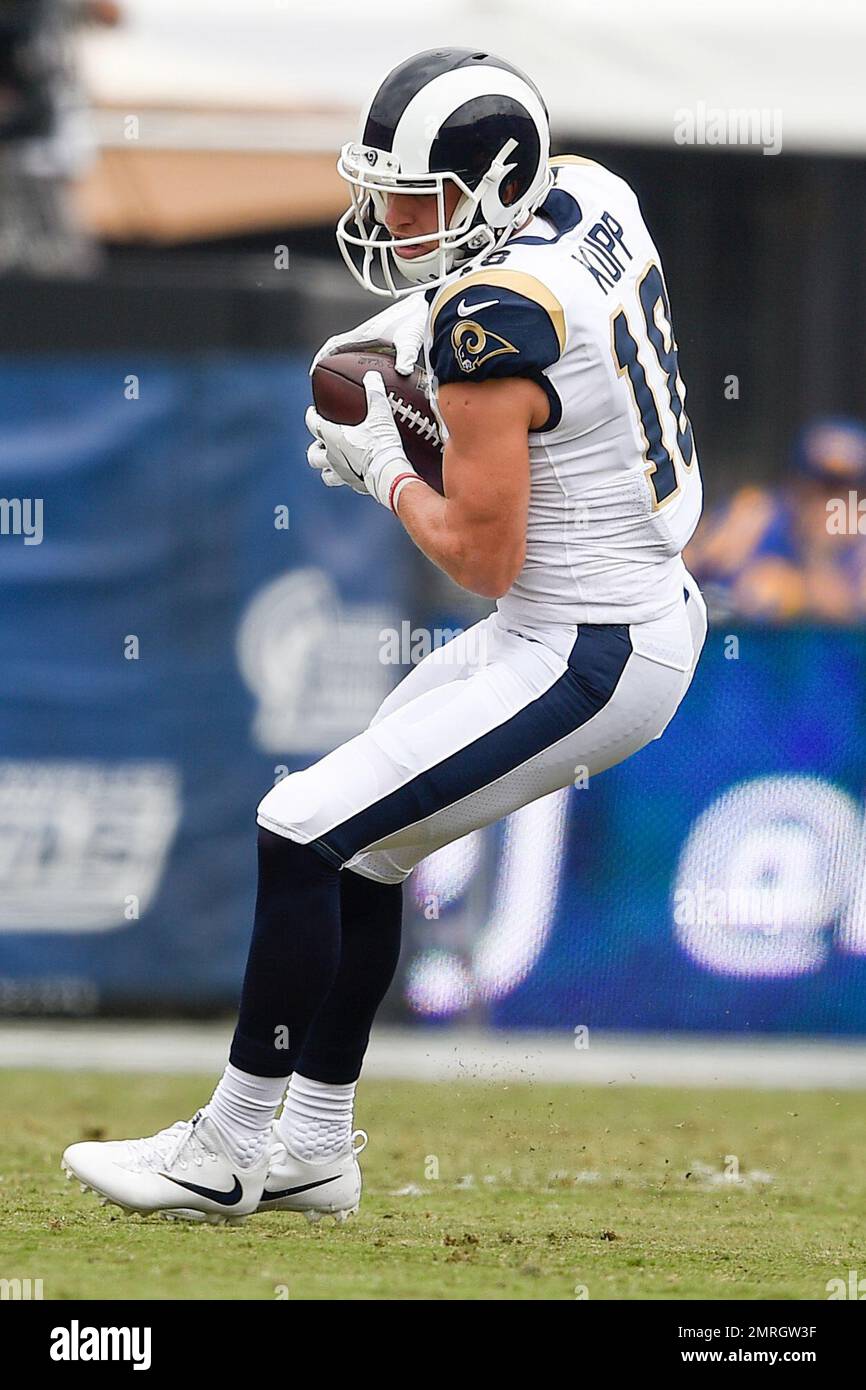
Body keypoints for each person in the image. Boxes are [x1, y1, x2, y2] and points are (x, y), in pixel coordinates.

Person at [62, 47, 707, 1224]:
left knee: (300, 824)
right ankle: (312, 1142)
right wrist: (374, 360)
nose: (392, 221)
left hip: (586, 644)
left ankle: (226, 1146)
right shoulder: (590, 194)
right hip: (605, 611)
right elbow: (487, 311)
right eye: (386, 191)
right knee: (362, 843)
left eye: (419, 199)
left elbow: (477, 553)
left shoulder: (492, 324)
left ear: (498, 183)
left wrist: (380, 472)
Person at [686, 416, 866, 623]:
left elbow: (847, 612)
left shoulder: (859, 541)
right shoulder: (755, 514)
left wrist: (813, 564)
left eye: (850, 487)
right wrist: (709, 555)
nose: (834, 500)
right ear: (796, 482)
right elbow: (680, 566)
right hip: (740, 649)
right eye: (826, 485)